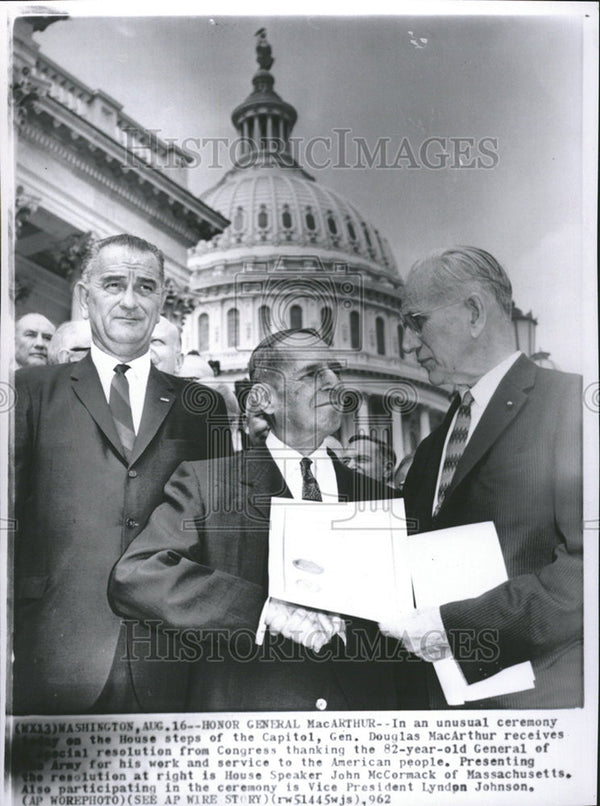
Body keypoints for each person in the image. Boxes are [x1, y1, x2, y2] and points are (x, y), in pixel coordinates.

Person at [110, 329, 408, 712]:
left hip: (362, 726)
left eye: (335, 370)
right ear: (264, 399)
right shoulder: (207, 484)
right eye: (312, 373)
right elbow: (137, 574)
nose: (334, 383)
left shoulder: (380, 497)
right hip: (250, 723)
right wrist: (263, 611)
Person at [13, 234, 231, 715]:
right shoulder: (28, 392)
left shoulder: (202, 407)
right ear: (85, 295)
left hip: (170, 659)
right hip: (52, 655)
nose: (130, 301)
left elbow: (219, 545)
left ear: (162, 299)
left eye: (145, 287)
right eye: (113, 284)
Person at [380, 246, 582, 708]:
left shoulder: (571, 406)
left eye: (417, 322)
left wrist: (457, 628)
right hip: (438, 708)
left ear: (473, 312)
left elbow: (585, 571)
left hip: (536, 708)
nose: (407, 345)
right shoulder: (431, 449)